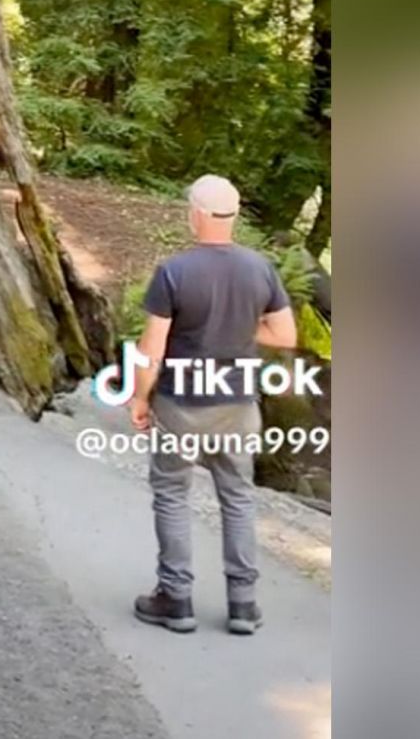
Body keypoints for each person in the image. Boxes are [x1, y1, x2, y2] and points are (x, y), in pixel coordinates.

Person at [128, 175, 298, 635]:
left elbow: (152, 350)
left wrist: (140, 398)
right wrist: (242, 337)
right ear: (235, 215)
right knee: (238, 498)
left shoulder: (174, 272)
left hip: (181, 401)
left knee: (172, 494)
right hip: (239, 403)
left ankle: (175, 598)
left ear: (196, 215)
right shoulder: (260, 268)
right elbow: (285, 336)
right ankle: (242, 604)